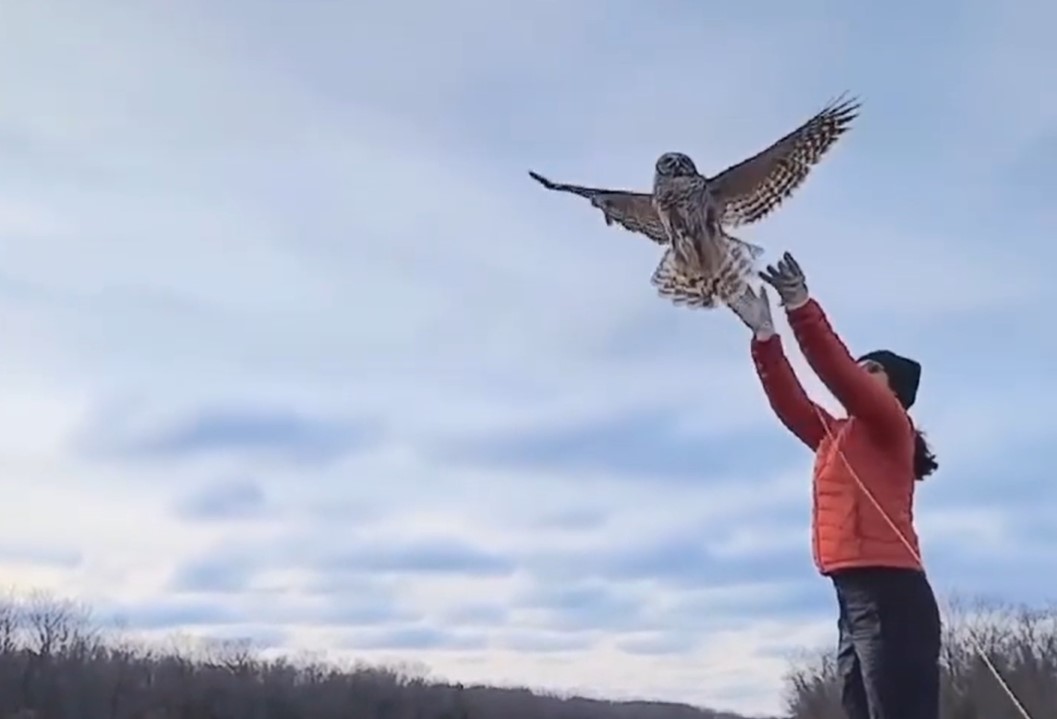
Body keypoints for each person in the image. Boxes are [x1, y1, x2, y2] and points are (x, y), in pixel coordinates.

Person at [729, 252, 941, 719]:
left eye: (872, 371)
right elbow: (791, 403)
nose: (859, 373)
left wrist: (801, 307)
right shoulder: (834, 437)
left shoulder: (891, 423)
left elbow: (838, 373)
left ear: (895, 392)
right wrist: (766, 339)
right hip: (853, 596)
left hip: (892, 595)